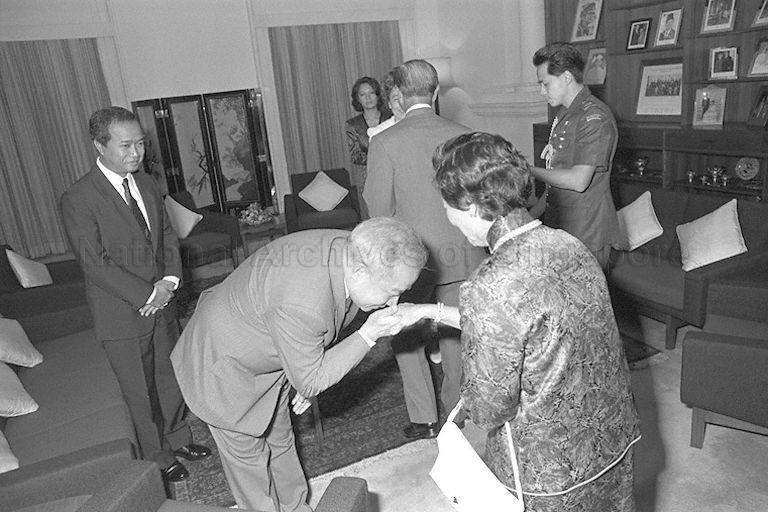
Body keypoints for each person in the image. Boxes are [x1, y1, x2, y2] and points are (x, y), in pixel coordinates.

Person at [393, 132, 641, 512]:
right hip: (615, 441)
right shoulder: (569, 245)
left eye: (448, 206)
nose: (447, 216)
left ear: (473, 207)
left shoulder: (489, 284)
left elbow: (489, 408)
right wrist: (431, 312)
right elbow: (537, 328)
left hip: (550, 473)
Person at [170, 217, 428, 512]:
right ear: (359, 271)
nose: (394, 303)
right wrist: (367, 335)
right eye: (391, 291)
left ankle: (295, 507)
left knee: (280, 439)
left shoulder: (357, 248)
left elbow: (316, 340)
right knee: (251, 467)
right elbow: (312, 360)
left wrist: (308, 370)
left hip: (272, 356)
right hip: (222, 367)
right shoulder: (303, 301)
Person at [60, 106, 210, 484]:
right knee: (140, 392)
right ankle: (157, 456)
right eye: (126, 145)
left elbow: (167, 238)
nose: (136, 153)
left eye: (140, 144)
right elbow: (95, 263)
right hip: (123, 313)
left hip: (163, 300)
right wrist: (148, 293)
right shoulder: (78, 197)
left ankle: (178, 438)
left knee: (169, 376)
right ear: (99, 145)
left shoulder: (146, 183)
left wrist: (170, 282)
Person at [364, 59, 486, 439]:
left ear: (398, 95)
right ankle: (455, 415)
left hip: (409, 260)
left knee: (406, 336)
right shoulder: (467, 134)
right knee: (455, 333)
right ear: (435, 92)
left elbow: (377, 208)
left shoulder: (384, 142)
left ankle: (424, 418)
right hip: (464, 253)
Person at [531, 42, 621, 271]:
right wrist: (531, 218)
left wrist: (527, 169)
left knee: (584, 304)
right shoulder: (564, 115)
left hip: (586, 233)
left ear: (567, 77)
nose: (542, 91)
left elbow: (578, 181)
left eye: (545, 83)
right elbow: (555, 184)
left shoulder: (594, 117)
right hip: (561, 227)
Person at [345, 76, 391, 214]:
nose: (368, 98)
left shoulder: (391, 118)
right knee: (373, 213)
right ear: (357, 99)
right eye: (363, 94)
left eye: (371, 93)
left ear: (378, 95)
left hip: (393, 170)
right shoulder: (352, 124)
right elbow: (356, 156)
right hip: (367, 175)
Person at [367, 70, 406, 139]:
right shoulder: (378, 134)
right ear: (389, 103)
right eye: (396, 99)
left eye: (406, 97)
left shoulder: (427, 126)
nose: (402, 104)